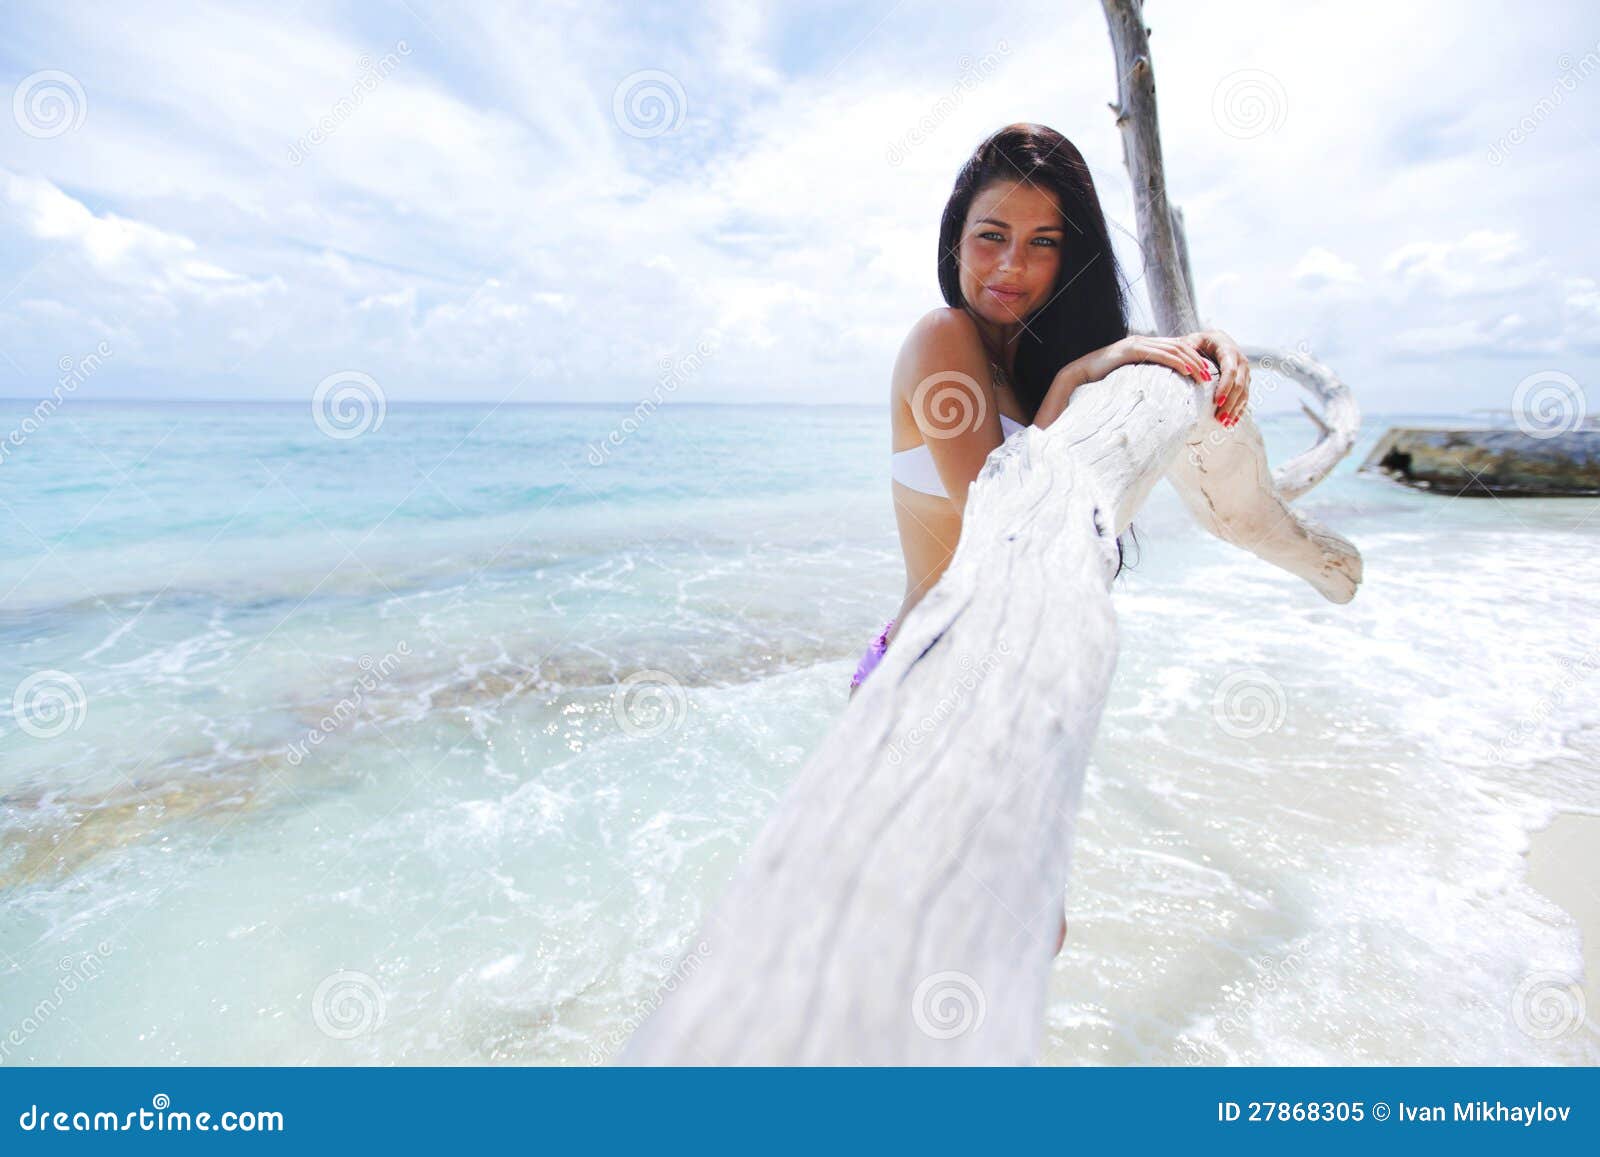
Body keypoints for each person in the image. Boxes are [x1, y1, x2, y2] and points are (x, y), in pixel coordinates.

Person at [848, 123, 1254, 957]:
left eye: (1042, 244)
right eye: (991, 237)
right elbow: (1007, 515)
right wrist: (1078, 375)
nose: (1010, 267)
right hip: (925, 690)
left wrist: (1200, 349)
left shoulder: (1033, 365)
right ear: (954, 239)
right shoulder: (942, 339)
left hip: (1003, 697)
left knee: (1012, 945)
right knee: (951, 957)